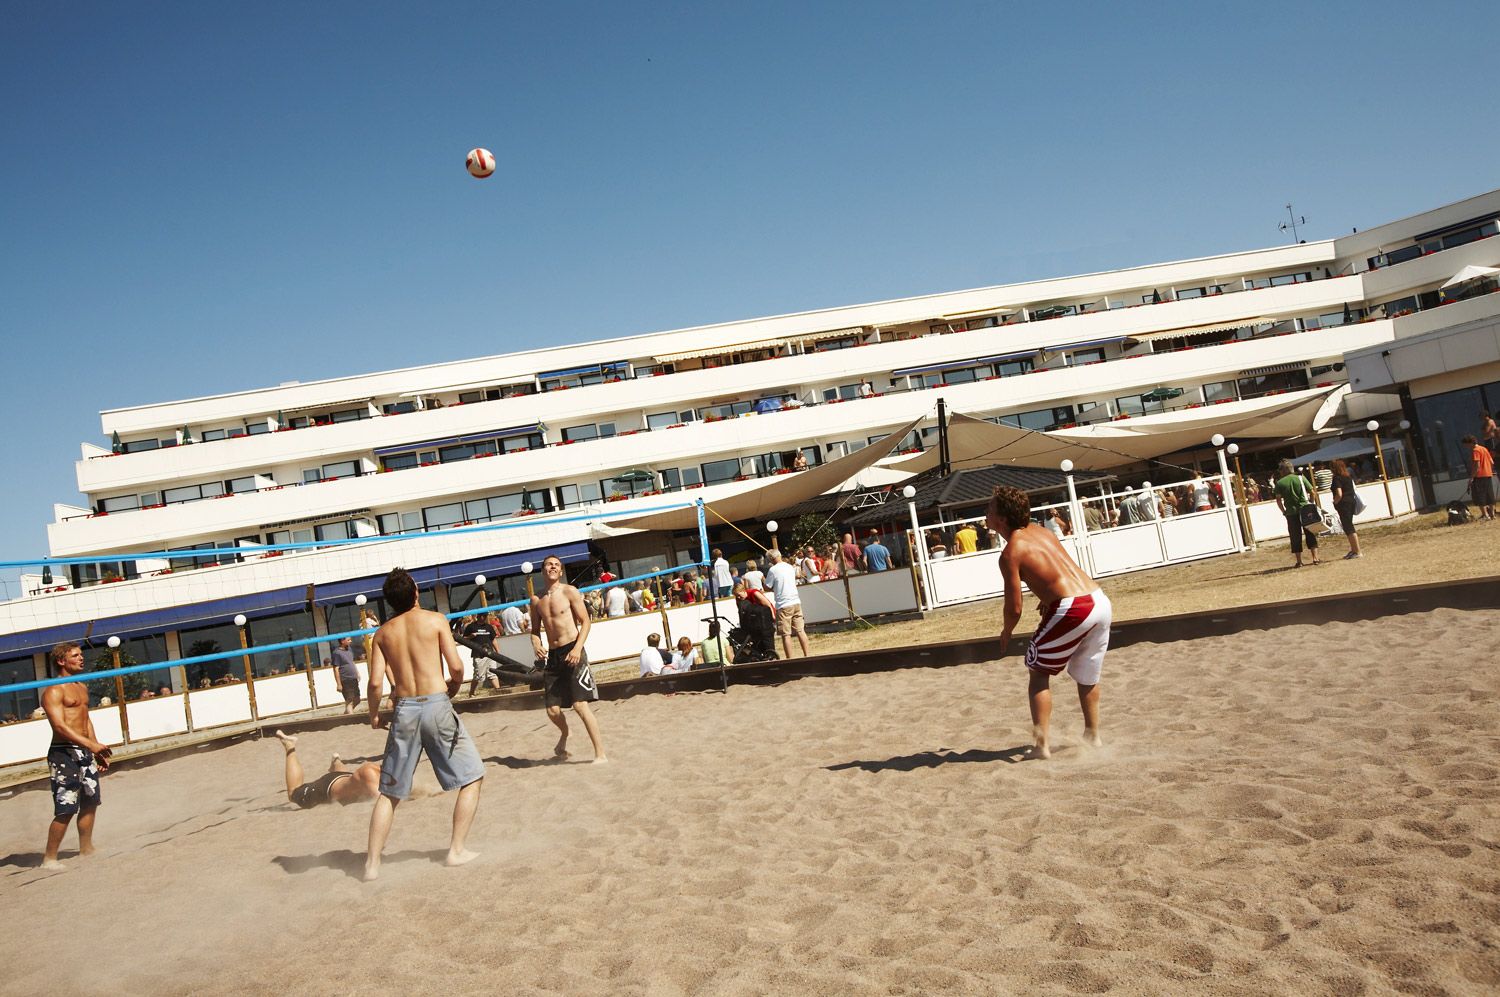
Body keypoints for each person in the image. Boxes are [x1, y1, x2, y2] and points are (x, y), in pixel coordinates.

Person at [363, 567, 485, 882]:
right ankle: (456, 850)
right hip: (435, 703)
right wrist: (452, 691)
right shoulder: (435, 620)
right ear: (416, 593)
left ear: (390, 602)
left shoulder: (383, 634)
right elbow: (457, 668)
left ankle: (372, 864)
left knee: (389, 792)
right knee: (472, 777)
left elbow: (375, 683)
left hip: (404, 709)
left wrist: (374, 715)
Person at [987, 486, 1111, 761]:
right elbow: (1058, 569)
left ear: (1002, 519)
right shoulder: (1042, 531)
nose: (987, 512)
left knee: (1037, 672)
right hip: (1098, 599)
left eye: (991, 508)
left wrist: (1007, 631)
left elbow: (1015, 607)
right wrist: (1047, 597)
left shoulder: (1010, 553)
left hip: (1073, 607)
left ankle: (1041, 747)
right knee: (1087, 672)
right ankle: (1093, 735)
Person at [529, 555, 607, 763]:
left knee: (580, 705)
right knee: (552, 710)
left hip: (573, 650)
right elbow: (535, 631)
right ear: (543, 570)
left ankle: (600, 754)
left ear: (560, 571)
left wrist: (578, 648)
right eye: (548, 564)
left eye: (556, 565)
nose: (552, 567)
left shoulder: (569, 591)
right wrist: (536, 644)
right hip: (554, 656)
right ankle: (565, 734)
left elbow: (586, 622)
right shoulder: (536, 599)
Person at [41, 642, 111, 869]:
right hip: (63, 753)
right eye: (76, 655)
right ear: (62, 661)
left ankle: (86, 849)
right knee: (66, 807)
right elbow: (59, 727)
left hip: (84, 750)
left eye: (81, 654)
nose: (82, 658)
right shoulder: (54, 690)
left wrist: (95, 747)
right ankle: (49, 858)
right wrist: (90, 744)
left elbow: (85, 719)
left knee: (91, 801)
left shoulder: (81, 686)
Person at [273, 730, 379, 808]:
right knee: (293, 794)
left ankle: (336, 762)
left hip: (343, 778)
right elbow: (381, 802)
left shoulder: (378, 771)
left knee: (349, 780)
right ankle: (290, 746)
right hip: (326, 789)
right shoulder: (370, 773)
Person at [1273, 458, 1321, 567]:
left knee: (1295, 536)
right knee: (1310, 533)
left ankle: (1299, 561)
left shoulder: (1280, 483)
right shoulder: (1300, 478)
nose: (1280, 472)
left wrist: (1283, 511)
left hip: (1291, 512)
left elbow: (1278, 500)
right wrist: (1311, 504)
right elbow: (1312, 492)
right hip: (1305, 510)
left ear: (1284, 470)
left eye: (1280, 470)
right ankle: (1315, 558)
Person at [766, 549, 810, 658]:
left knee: (786, 634)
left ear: (771, 559)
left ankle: (789, 659)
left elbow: (767, 586)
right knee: (800, 631)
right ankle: (807, 655)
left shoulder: (772, 570)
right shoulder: (789, 567)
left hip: (783, 604)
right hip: (795, 601)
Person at [732, 581, 777, 661]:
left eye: (739, 595)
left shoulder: (754, 593)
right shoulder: (739, 600)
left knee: (766, 636)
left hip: (764, 615)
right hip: (756, 619)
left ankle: (770, 653)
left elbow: (767, 604)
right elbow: (741, 612)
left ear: (743, 591)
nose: (738, 597)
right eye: (736, 596)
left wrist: (773, 616)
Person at [460, 612, 501, 697]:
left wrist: (497, 652)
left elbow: (493, 640)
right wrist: (470, 636)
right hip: (478, 654)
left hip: (490, 653)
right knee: (478, 675)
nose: (484, 617)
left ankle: (498, 691)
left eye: (485, 616)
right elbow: (463, 639)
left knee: (493, 673)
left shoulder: (489, 627)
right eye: (483, 616)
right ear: (478, 616)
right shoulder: (471, 626)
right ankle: (471, 692)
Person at [1328, 458, 1363, 559]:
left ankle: (1357, 551)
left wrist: (1335, 502)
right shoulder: (1348, 477)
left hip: (1344, 504)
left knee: (1348, 527)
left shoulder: (1337, 479)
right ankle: (1353, 550)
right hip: (1351, 502)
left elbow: (1339, 493)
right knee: (1348, 526)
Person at [1465, 434, 1496, 521]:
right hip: (1488, 474)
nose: (1466, 446)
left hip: (1479, 476)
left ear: (1470, 443)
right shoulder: (1484, 449)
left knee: (1480, 496)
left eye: (1466, 444)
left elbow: (1477, 465)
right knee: (1489, 495)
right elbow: (1491, 462)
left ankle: (1485, 515)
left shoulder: (1475, 450)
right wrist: (1490, 470)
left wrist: (1471, 477)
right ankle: (1492, 515)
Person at [330, 636, 361, 713]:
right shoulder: (337, 653)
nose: (350, 641)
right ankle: (351, 717)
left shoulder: (349, 649)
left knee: (357, 699)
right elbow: (336, 669)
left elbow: (352, 662)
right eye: (348, 640)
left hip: (353, 678)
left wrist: (357, 673)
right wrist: (338, 684)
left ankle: (346, 714)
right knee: (349, 700)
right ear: (342, 641)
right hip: (345, 679)